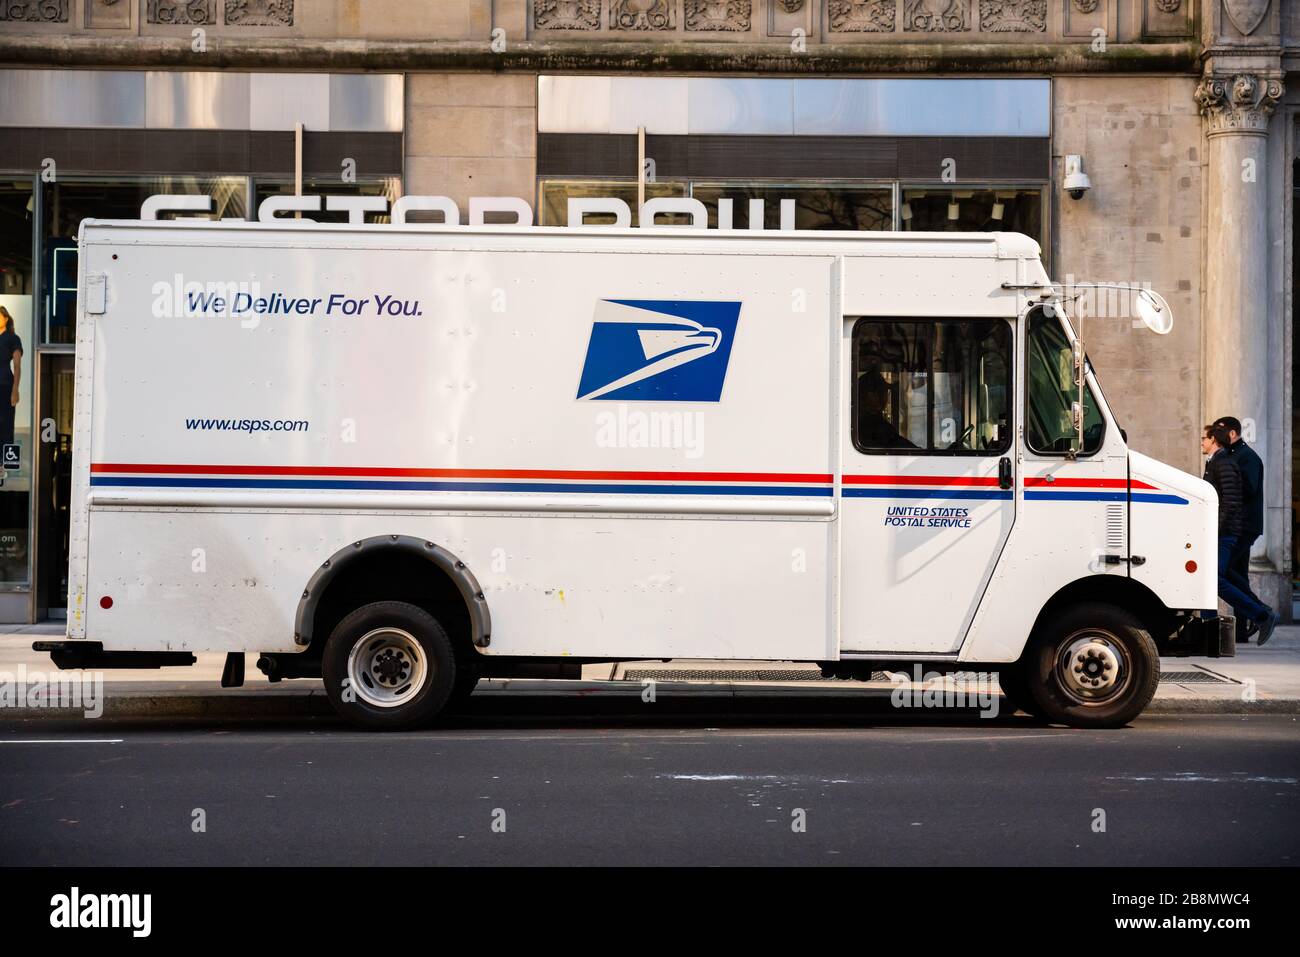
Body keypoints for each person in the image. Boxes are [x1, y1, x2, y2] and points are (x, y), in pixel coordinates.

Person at [1201, 424, 1278, 645]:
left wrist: (1215, 529)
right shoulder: (1218, 461)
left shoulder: (1225, 462)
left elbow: (1230, 501)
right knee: (1213, 578)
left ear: (1214, 439)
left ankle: (1262, 615)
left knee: (1213, 578)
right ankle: (1210, 631)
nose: (1202, 442)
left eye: (1204, 438)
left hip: (1225, 532)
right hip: (1224, 531)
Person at [1211, 415, 1266, 641]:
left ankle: (1259, 610)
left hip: (1245, 525)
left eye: (1220, 431)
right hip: (1239, 524)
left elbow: (1249, 488)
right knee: (1236, 572)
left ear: (1232, 433)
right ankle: (1243, 629)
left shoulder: (1247, 457)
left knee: (1226, 571)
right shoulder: (1231, 455)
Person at [0, 306, 21, 448]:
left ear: (6, 318)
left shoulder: (13, 338)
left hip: (5, 384)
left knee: (5, 423)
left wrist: (15, 390)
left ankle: (4, 462)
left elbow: (17, 366)